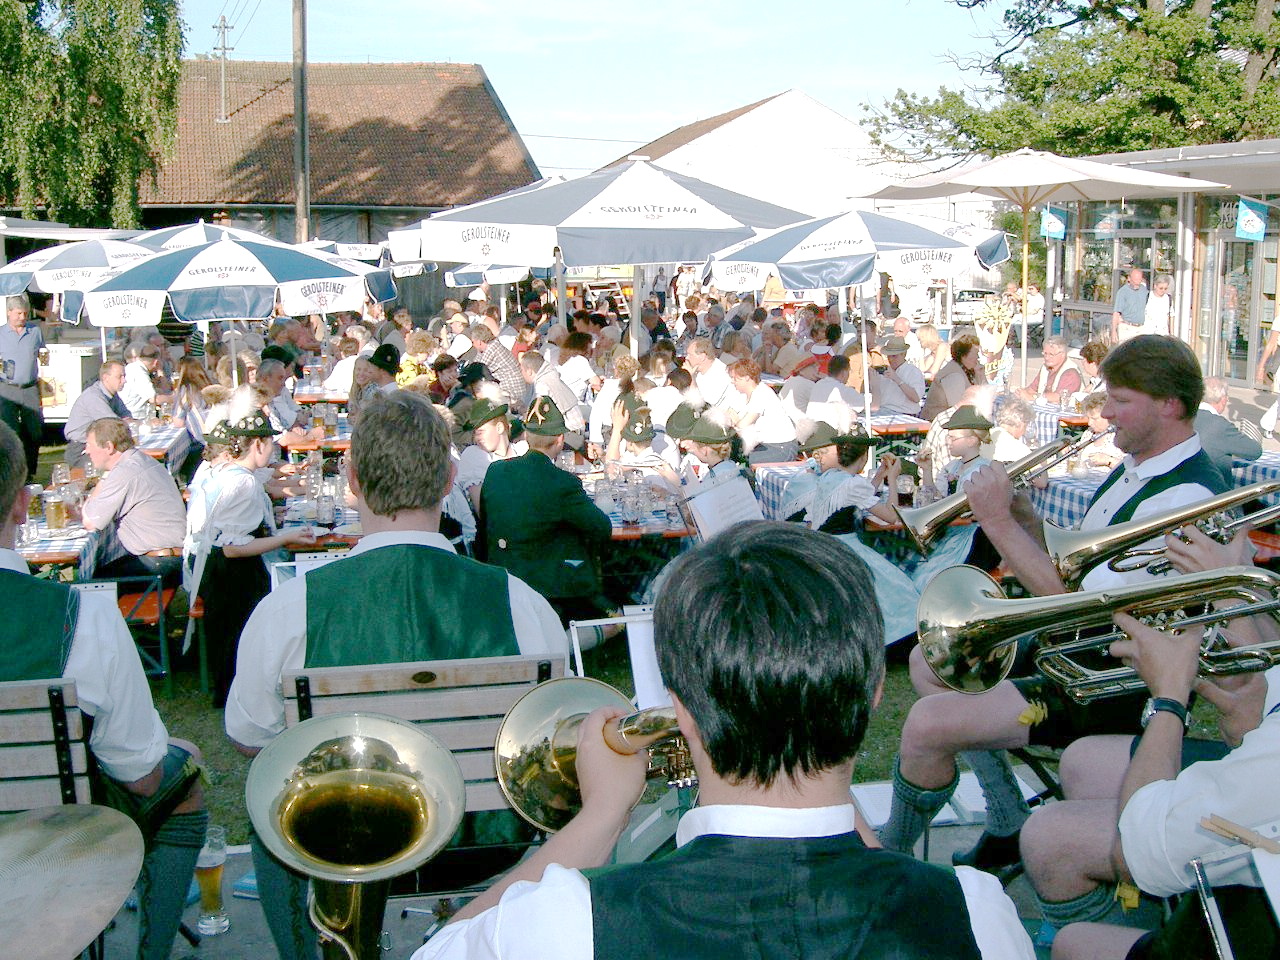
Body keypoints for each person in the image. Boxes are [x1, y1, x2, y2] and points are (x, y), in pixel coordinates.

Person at [413, 522, 1035, 960]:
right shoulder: (975, 911)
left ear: (680, 711)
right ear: (874, 696)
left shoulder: (571, 922)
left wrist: (599, 816)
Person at [225, 391, 567, 960]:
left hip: (344, 851)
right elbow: (549, 737)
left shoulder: (291, 607)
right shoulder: (520, 602)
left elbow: (249, 738)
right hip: (487, 847)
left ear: (353, 480)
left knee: (270, 813)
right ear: (450, 477)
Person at [879, 336, 1229, 870]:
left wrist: (996, 523)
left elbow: (1080, 608)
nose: (1105, 413)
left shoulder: (1183, 496)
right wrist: (1029, 523)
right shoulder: (1139, 467)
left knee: (928, 726)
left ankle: (889, 858)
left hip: (1107, 683)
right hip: (1073, 649)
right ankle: (1005, 817)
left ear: (1170, 404)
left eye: (1120, 400)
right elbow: (1079, 568)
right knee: (931, 661)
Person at [0, 420, 207, 960]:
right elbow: (140, 777)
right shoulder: (80, 617)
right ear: (23, 504)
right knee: (182, 777)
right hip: (44, 835)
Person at [184, 412, 317, 706]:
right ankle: (243, 697)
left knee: (235, 636)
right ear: (258, 444)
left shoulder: (228, 473)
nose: (272, 450)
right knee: (241, 635)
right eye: (270, 443)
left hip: (215, 567)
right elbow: (233, 545)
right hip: (232, 573)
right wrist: (285, 538)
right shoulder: (243, 483)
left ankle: (237, 693)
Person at [478, 395, 614, 627]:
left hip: (503, 572)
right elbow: (602, 528)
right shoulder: (561, 482)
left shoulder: (495, 471)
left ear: (527, 436)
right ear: (560, 439)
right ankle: (611, 621)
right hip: (549, 583)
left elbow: (486, 524)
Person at [79, 418, 187, 584]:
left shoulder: (125, 471)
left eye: (89, 445)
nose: (86, 450)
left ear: (109, 447)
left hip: (159, 564)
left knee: (90, 587)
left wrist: (85, 502)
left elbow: (91, 521)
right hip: (172, 557)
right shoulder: (141, 460)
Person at [0, 293, 45, 479]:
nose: (22, 317)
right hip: (6, 388)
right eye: (18, 313)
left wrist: (44, 356)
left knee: (34, 431)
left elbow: (42, 351)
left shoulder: (34, 331)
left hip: (29, 387)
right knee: (11, 433)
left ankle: (30, 472)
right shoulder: (1, 333)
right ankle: (12, 473)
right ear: (9, 313)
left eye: (25, 313)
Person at [455, 398, 526, 510]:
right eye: (475, 433)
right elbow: (485, 511)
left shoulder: (523, 450)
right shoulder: (474, 456)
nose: (476, 438)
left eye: (480, 432)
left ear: (499, 428)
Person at [727, 358, 797, 463]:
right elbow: (728, 414)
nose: (732, 381)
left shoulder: (761, 393)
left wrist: (736, 421)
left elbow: (743, 424)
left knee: (742, 462)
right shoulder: (743, 395)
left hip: (781, 447)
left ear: (747, 378)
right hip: (764, 445)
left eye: (735, 378)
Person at [64, 360, 130, 469]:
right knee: (121, 463)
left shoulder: (112, 395)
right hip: (81, 449)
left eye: (124, 376)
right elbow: (114, 426)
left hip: (99, 445)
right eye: (120, 377)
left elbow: (126, 416)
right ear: (105, 377)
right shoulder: (93, 396)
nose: (124, 380)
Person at [1196, 376, 1262, 483]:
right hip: (1216, 493)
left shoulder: (1182, 418)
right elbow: (1255, 451)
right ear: (1223, 399)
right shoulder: (1221, 426)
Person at [921, 333, 987, 422]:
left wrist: (981, 375)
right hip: (937, 423)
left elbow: (986, 395)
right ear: (964, 355)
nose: (978, 357)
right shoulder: (954, 375)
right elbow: (959, 410)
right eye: (976, 353)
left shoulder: (968, 371)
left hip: (953, 420)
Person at [1018, 335, 1082, 406]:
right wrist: (1020, 393)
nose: (1047, 358)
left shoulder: (1071, 372)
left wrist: (1032, 397)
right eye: (1045, 353)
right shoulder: (1045, 367)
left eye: (1051, 354)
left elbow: (1058, 397)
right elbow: (1032, 389)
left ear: (1062, 354)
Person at [870, 334, 925, 415]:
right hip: (884, 410)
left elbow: (916, 398)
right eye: (889, 356)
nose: (891, 359)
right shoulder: (884, 371)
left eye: (894, 356)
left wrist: (897, 380)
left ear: (904, 354)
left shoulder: (913, 371)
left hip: (904, 413)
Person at [120, 341, 166, 420]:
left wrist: (160, 372)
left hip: (138, 414)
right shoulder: (139, 372)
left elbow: (163, 390)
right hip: (134, 417)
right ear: (156, 362)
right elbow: (154, 399)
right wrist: (174, 398)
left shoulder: (135, 368)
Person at [1111, 268, 1149, 344]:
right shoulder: (1122, 292)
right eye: (1135, 279)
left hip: (1141, 328)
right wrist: (1113, 331)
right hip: (1127, 328)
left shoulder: (1144, 290)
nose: (1137, 282)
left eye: (1139, 279)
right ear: (1129, 278)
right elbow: (1116, 312)